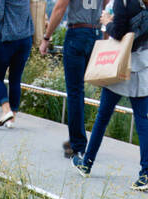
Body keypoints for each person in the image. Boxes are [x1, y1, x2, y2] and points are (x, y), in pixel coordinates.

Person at [78, 0, 148, 187]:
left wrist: (107, 21)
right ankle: (145, 174)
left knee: (103, 117)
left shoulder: (123, 2)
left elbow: (119, 32)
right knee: (142, 120)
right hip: (143, 65)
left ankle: (87, 163)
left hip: (120, 66)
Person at [39, 0, 102, 160]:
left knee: (75, 91)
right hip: (95, 34)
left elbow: (60, 8)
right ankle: (80, 137)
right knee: (91, 91)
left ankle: (78, 144)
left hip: (77, 33)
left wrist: (46, 37)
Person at [0, 0, 33, 128]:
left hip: (6, 39)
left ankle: (6, 110)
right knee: (15, 79)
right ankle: (11, 118)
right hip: (25, 38)